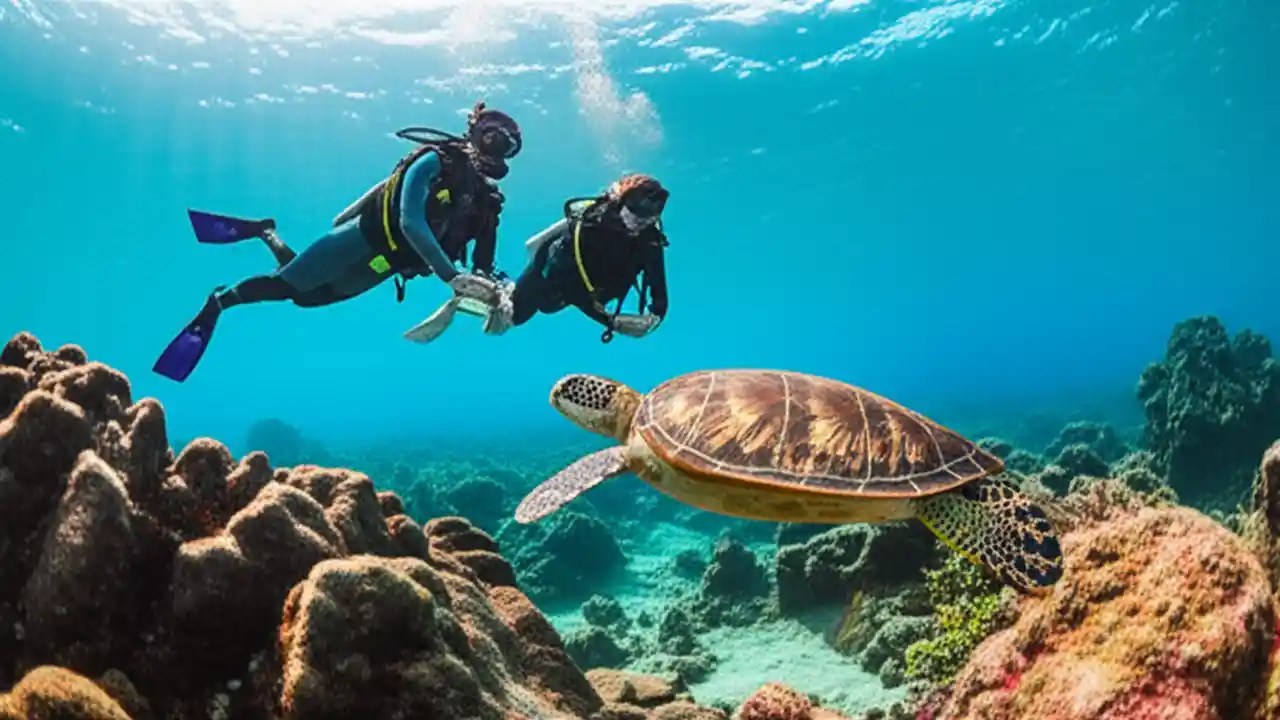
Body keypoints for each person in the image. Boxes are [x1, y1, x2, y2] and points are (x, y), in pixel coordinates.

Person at [153, 101, 522, 382]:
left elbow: (483, 266)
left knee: (309, 298)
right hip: (361, 237)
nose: (495, 149)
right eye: (491, 136)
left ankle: (266, 232)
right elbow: (410, 221)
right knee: (287, 286)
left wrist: (498, 294)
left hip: (385, 264)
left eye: (505, 146)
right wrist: (449, 275)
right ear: (473, 131)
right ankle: (219, 302)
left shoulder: (487, 205)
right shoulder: (436, 159)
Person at [427, 173, 669, 344]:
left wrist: (654, 318)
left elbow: (658, 285)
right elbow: (572, 288)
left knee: (538, 312)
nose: (639, 225)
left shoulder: (649, 239)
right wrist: (609, 320)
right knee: (511, 318)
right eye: (635, 217)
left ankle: (500, 290)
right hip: (547, 279)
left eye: (648, 220)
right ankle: (490, 295)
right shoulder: (590, 228)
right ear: (620, 205)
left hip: (591, 294)